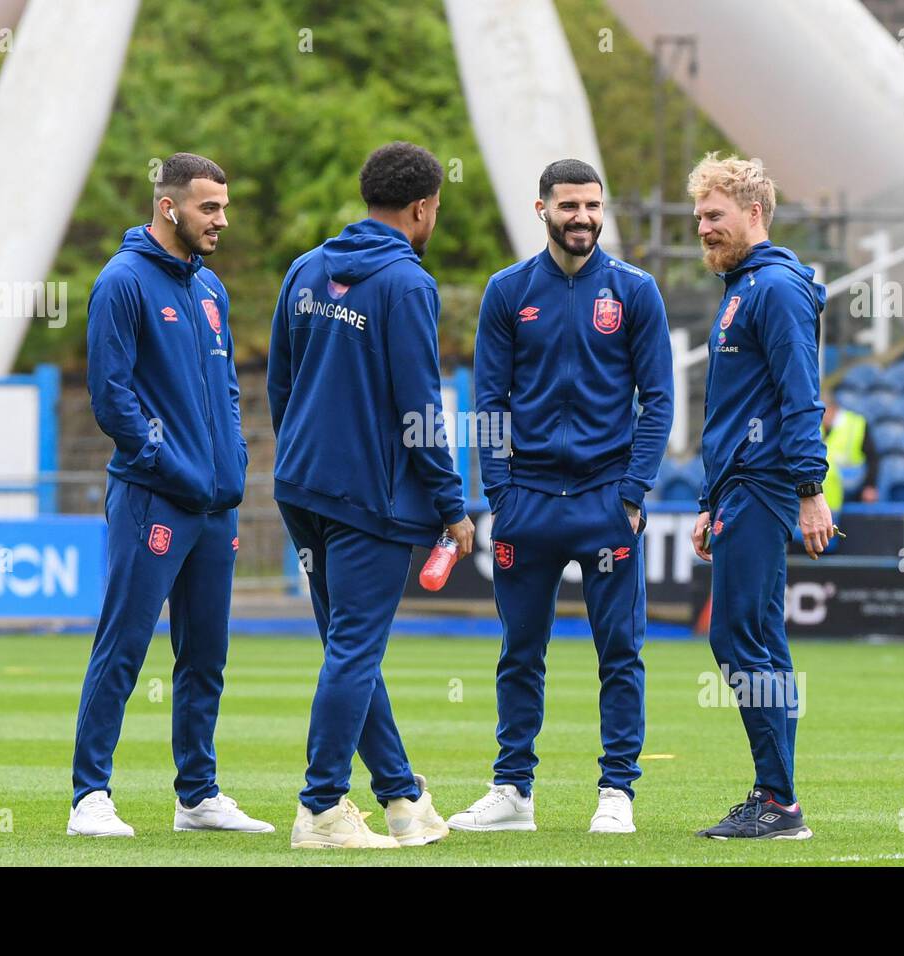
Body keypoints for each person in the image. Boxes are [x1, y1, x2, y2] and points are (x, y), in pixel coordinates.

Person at [449, 159, 673, 835]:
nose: (583, 217)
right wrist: (501, 491)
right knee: (520, 649)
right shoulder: (507, 291)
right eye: (569, 206)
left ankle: (616, 792)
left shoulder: (635, 290)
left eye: (593, 206)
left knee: (620, 651)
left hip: (607, 502)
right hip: (530, 503)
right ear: (541, 208)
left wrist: (632, 494)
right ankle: (514, 789)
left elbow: (659, 399)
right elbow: (489, 401)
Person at [267, 141, 475, 850]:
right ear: (422, 208)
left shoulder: (305, 269)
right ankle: (321, 808)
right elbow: (420, 405)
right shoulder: (408, 285)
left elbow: (279, 383)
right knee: (355, 648)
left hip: (303, 486)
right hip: (372, 498)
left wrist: (301, 456)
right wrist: (452, 504)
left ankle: (402, 800)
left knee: (346, 646)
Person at [70, 152, 272, 837]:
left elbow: (225, 392)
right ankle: (89, 798)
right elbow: (112, 398)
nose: (221, 219)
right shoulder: (121, 283)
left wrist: (234, 460)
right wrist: (168, 462)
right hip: (153, 499)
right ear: (169, 206)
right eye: (209, 207)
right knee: (123, 646)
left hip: (216, 507)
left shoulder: (210, 290)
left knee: (206, 656)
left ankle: (198, 796)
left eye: (223, 205)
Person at [688, 152, 832, 840]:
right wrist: (707, 503)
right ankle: (777, 797)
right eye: (698, 219)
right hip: (740, 487)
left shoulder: (772, 288)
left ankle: (778, 800)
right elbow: (733, 406)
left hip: (767, 481)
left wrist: (810, 489)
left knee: (738, 635)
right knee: (759, 640)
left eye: (713, 216)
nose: (703, 229)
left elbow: (801, 395)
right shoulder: (745, 286)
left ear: (754, 213)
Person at [821, 389, 880, 510]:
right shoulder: (817, 425)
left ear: (832, 409)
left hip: (851, 479)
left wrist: (870, 485)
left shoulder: (856, 424)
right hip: (826, 481)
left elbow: (872, 457)